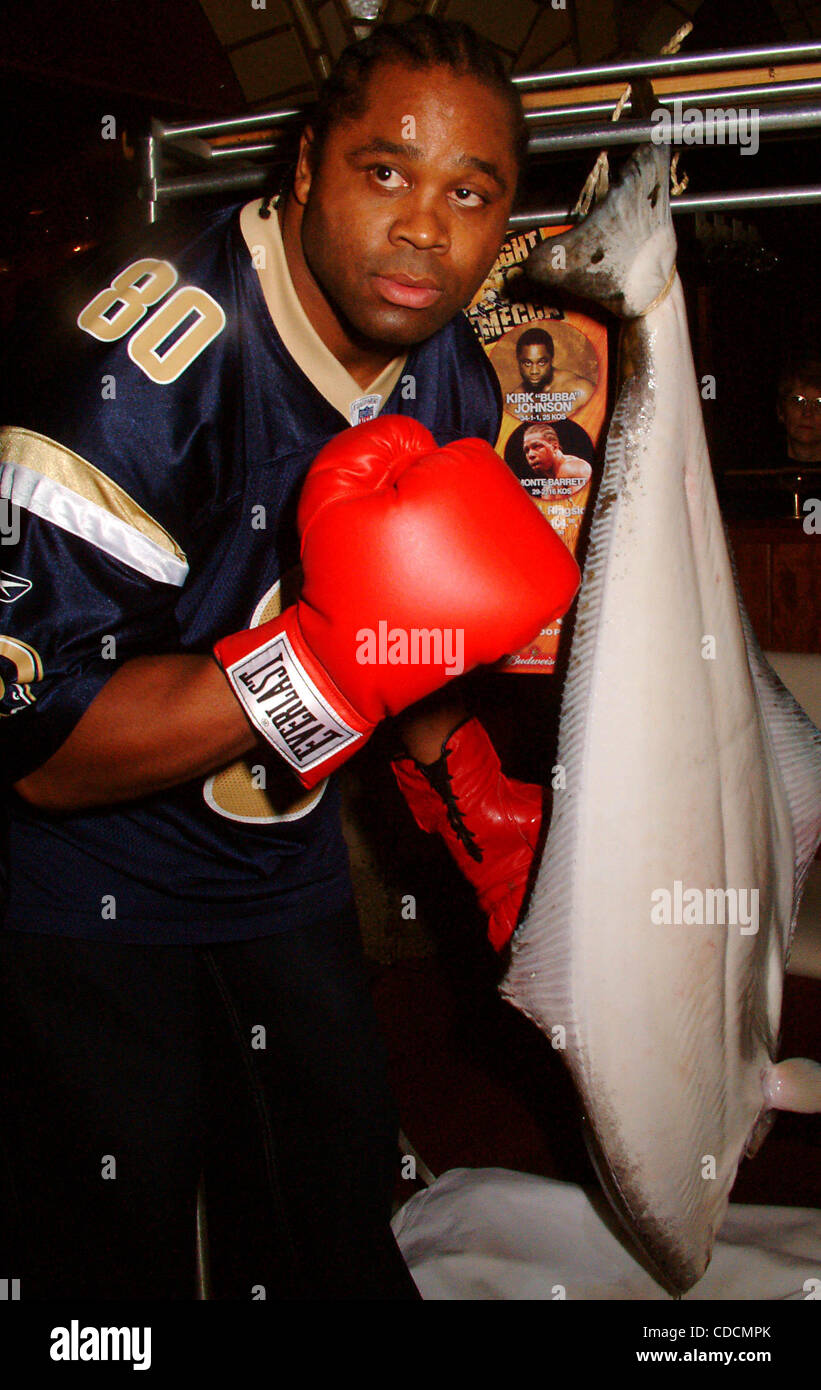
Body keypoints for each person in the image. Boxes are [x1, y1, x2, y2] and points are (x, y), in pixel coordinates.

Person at [0, 17, 578, 1300]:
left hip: (275, 859)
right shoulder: (134, 382)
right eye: (387, 172)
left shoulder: (452, 384)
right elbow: (31, 748)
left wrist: (461, 787)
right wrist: (314, 664)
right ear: (306, 164)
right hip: (77, 878)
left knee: (329, 1205)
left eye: (468, 192)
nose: (427, 227)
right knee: (106, 1256)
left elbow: (406, 644)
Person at [515, 325, 595, 412]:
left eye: (541, 362)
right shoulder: (513, 401)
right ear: (518, 361)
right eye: (527, 363)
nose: (534, 371)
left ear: (552, 359)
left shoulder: (582, 391)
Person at [776, 358, 821, 464]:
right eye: (798, 401)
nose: (808, 413)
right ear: (781, 411)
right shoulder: (759, 471)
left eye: (819, 403)